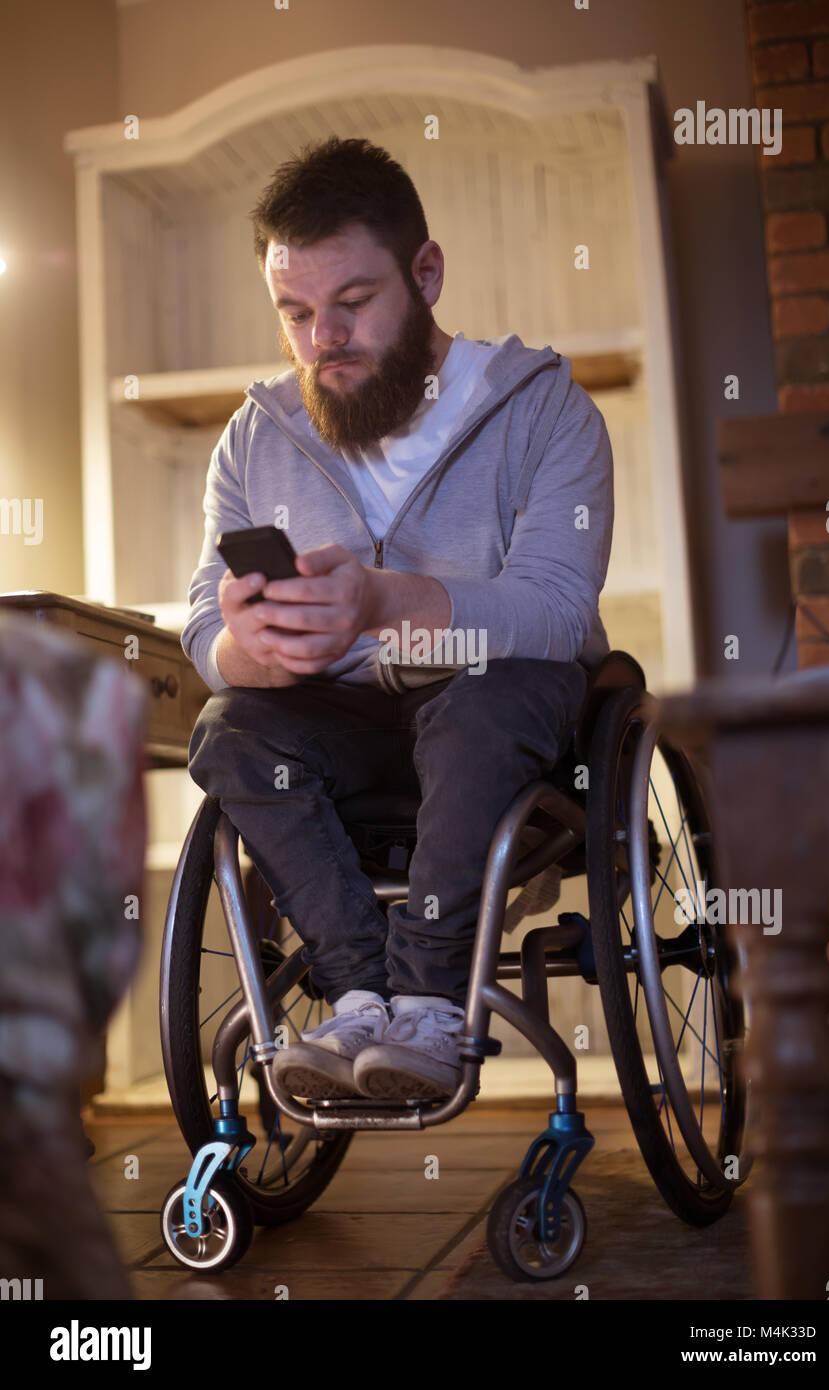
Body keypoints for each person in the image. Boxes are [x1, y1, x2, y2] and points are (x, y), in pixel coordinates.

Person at [182, 135, 614, 1102]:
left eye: (353, 302)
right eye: (294, 313)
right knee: (228, 731)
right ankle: (357, 997)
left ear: (426, 273)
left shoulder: (548, 413)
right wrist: (250, 647)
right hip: (340, 731)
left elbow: (555, 611)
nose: (320, 337)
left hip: (499, 723)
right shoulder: (254, 439)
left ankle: (427, 998)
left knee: (481, 698)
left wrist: (384, 603)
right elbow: (205, 628)